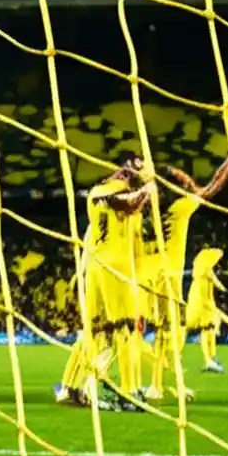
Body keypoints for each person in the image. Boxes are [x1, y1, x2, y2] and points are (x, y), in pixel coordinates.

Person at [55, 152, 157, 405]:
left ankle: (70, 387)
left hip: (95, 267)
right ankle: (128, 390)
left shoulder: (95, 193)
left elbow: (91, 236)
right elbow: (129, 207)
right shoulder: (123, 199)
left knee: (93, 331)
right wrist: (147, 191)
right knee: (126, 328)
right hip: (117, 268)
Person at [139, 157, 228, 401]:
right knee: (171, 332)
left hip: (144, 273)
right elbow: (208, 189)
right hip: (168, 275)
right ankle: (171, 384)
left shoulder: (144, 205)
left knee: (134, 330)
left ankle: (153, 385)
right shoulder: (182, 207)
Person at [185, 246, 226, 373]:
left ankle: (212, 357)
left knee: (210, 329)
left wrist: (223, 288)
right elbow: (210, 288)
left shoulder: (205, 271)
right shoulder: (204, 273)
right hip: (201, 302)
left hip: (206, 301)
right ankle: (208, 359)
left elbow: (216, 282)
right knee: (205, 329)